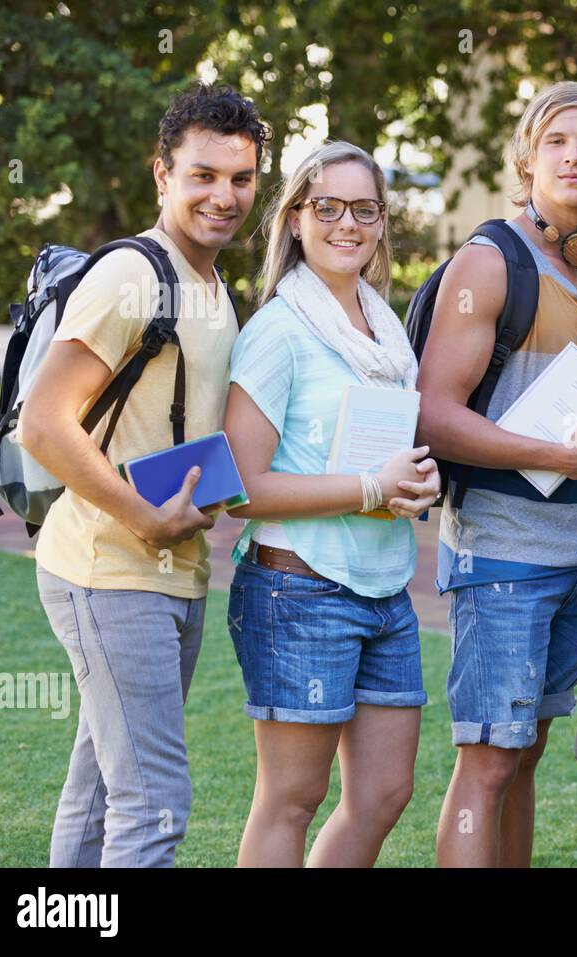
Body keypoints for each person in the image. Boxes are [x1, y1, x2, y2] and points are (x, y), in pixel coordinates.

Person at [20, 82, 267, 867]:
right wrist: (142, 516)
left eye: (241, 179)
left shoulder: (216, 287)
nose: (223, 197)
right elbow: (45, 421)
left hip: (170, 568)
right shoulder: (132, 275)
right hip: (110, 567)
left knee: (100, 792)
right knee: (153, 806)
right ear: (162, 174)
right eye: (203, 175)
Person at [417, 81, 577, 867]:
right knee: (488, 758)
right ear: (527, 156)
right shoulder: (489, 260)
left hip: (576, 554)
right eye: (557, 140)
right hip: (502, 553)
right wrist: (550, 455)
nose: (573, 155)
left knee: (528, 750)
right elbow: (432, 413)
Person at [223, 140, 440, 867]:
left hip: (384, 588)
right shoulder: (277, 333)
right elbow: (240, 488)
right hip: (298, 586)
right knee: (291, 797)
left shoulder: (386, 333)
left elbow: (380, 455)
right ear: (293, 218)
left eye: (364, 209)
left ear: (381, 223)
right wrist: (370, 486)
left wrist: (412, 481)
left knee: (383, 792)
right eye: (327, 207)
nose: (347, 223)